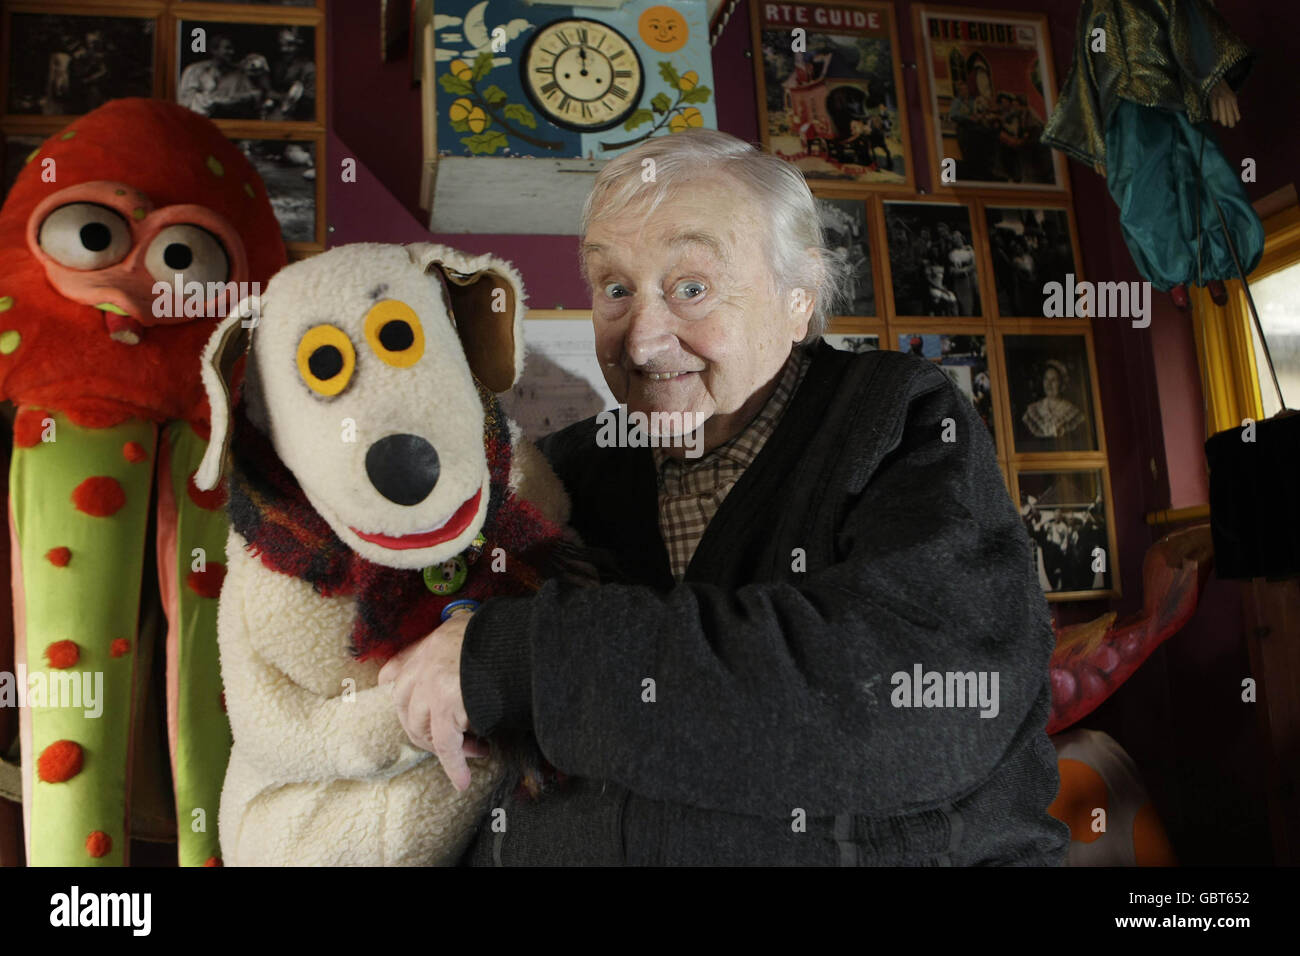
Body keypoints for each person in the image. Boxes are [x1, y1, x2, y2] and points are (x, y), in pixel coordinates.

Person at [379, 129, 1068, 866]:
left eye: (692, 288)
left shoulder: (897, 416)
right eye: (615, 290)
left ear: (798, 300)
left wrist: (517, 660)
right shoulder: (557, 471)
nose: (642, 340)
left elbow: (914, 703)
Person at [1022, 360, 1086, 441]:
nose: (1048, 384)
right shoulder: (1033, 410)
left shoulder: (1073, 412)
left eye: (1053, 380)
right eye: (1046, 379)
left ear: (1061, 383)